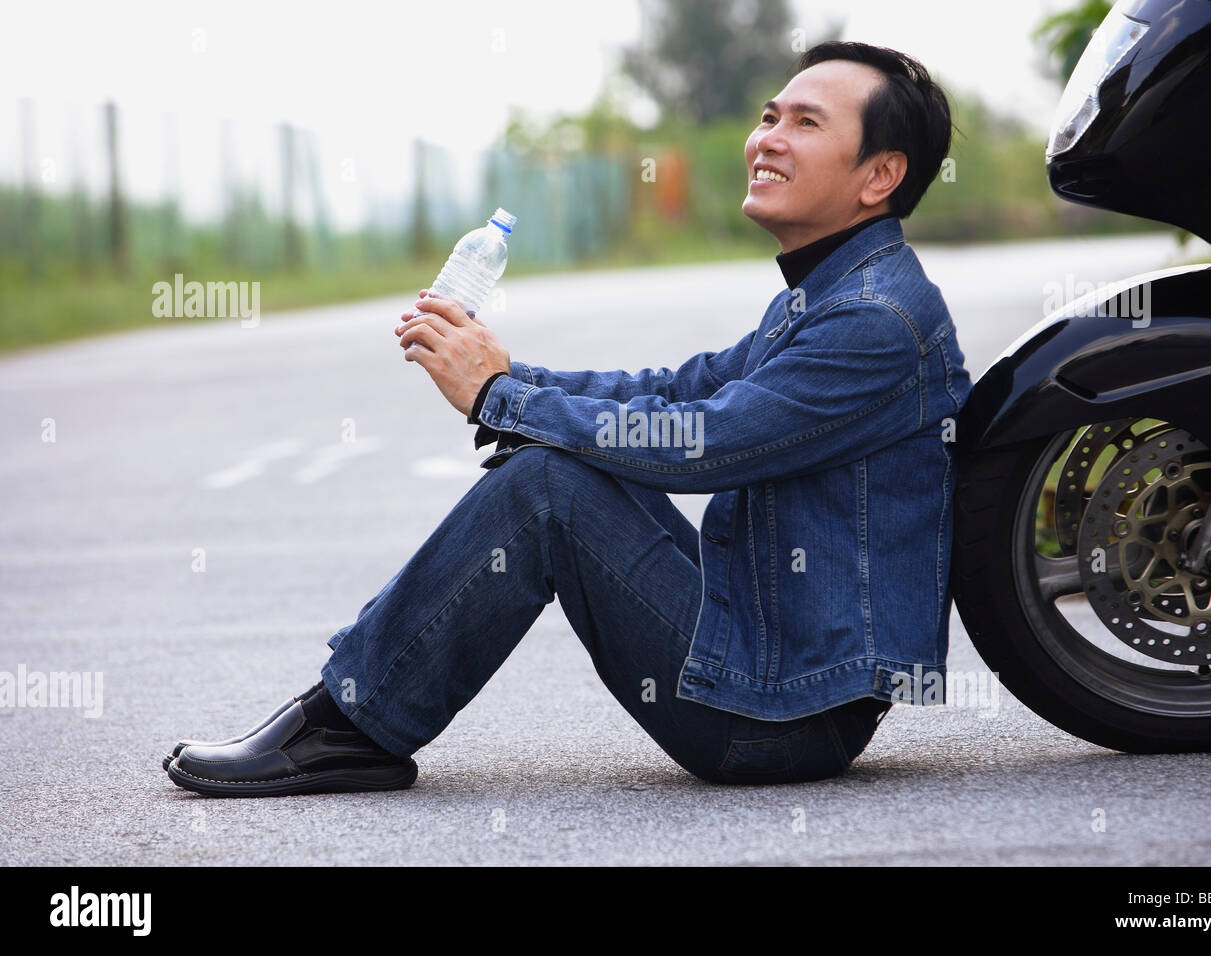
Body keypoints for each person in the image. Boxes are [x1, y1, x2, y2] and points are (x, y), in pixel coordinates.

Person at [164, 40, 972, 796]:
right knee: (554, 461)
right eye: (769, 116)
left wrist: (498, 400)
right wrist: (515, 374)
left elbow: (702, 444)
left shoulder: (875, 318)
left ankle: (348, 725)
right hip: (768, 665)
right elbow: (683, 390)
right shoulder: (832, 292)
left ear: (878, 176)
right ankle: (346, 715)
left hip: (780, 720)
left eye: (805, 123)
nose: (767, 138)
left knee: (549, 484)